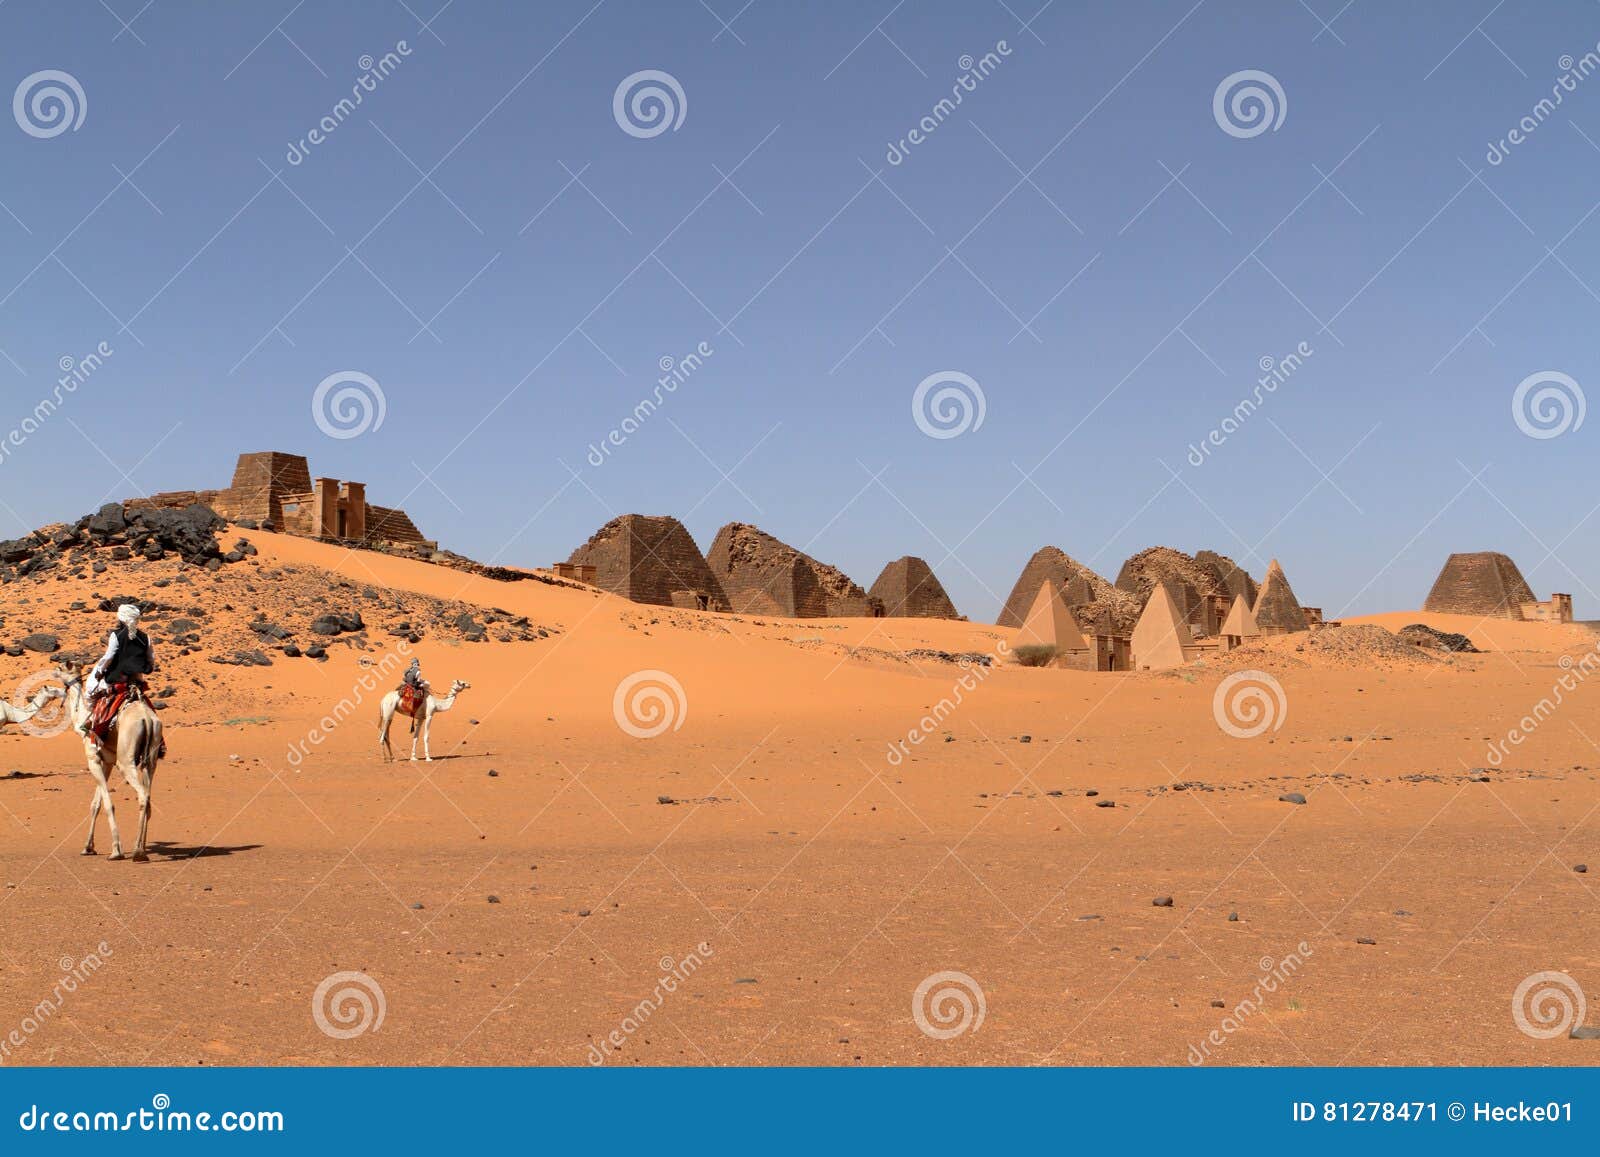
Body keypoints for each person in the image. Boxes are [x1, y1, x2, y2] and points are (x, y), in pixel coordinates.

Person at [79, 604, 156, 740]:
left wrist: (100, 671)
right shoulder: (146, 637)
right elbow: (151, 659)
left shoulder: (116, 636)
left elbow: (109, 657)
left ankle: (91, 720)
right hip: (137, 680)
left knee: (90, 691)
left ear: (121, 620)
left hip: (117, 679)